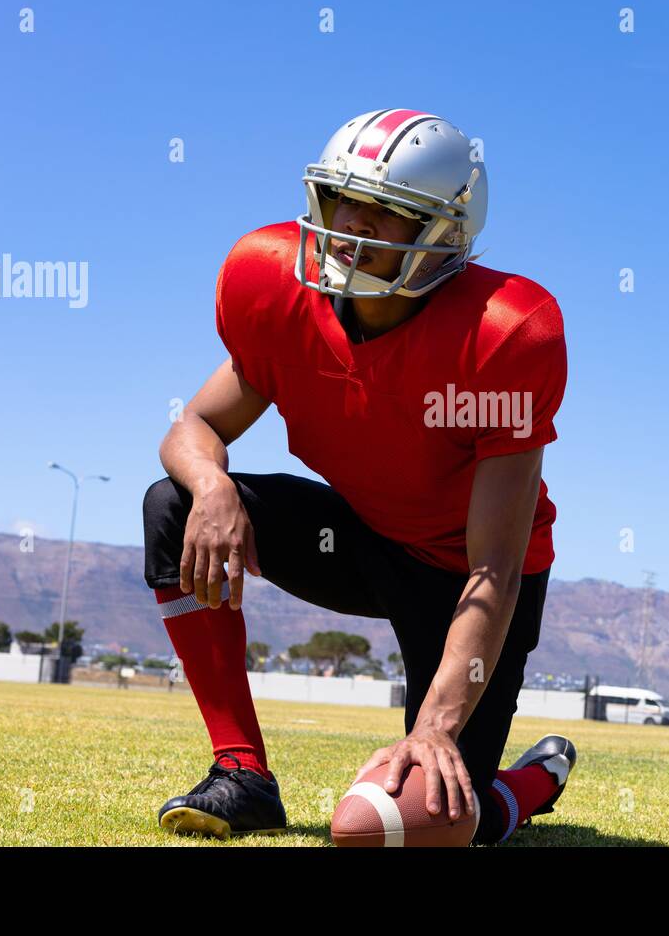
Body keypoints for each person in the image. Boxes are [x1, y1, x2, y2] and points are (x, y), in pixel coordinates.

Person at [142, 109, 574, 845]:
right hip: (362, 539)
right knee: (173, 504)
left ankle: (527, 785)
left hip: (466, 580)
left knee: (432, 819)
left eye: (383, 211)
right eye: (342, 198)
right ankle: (242, 772)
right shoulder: (274, 288)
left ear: (443, 230)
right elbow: (194, 427)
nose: (348, 224)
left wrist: (436, 727)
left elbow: (494, 567)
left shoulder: (504, 332)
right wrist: (215, 490)